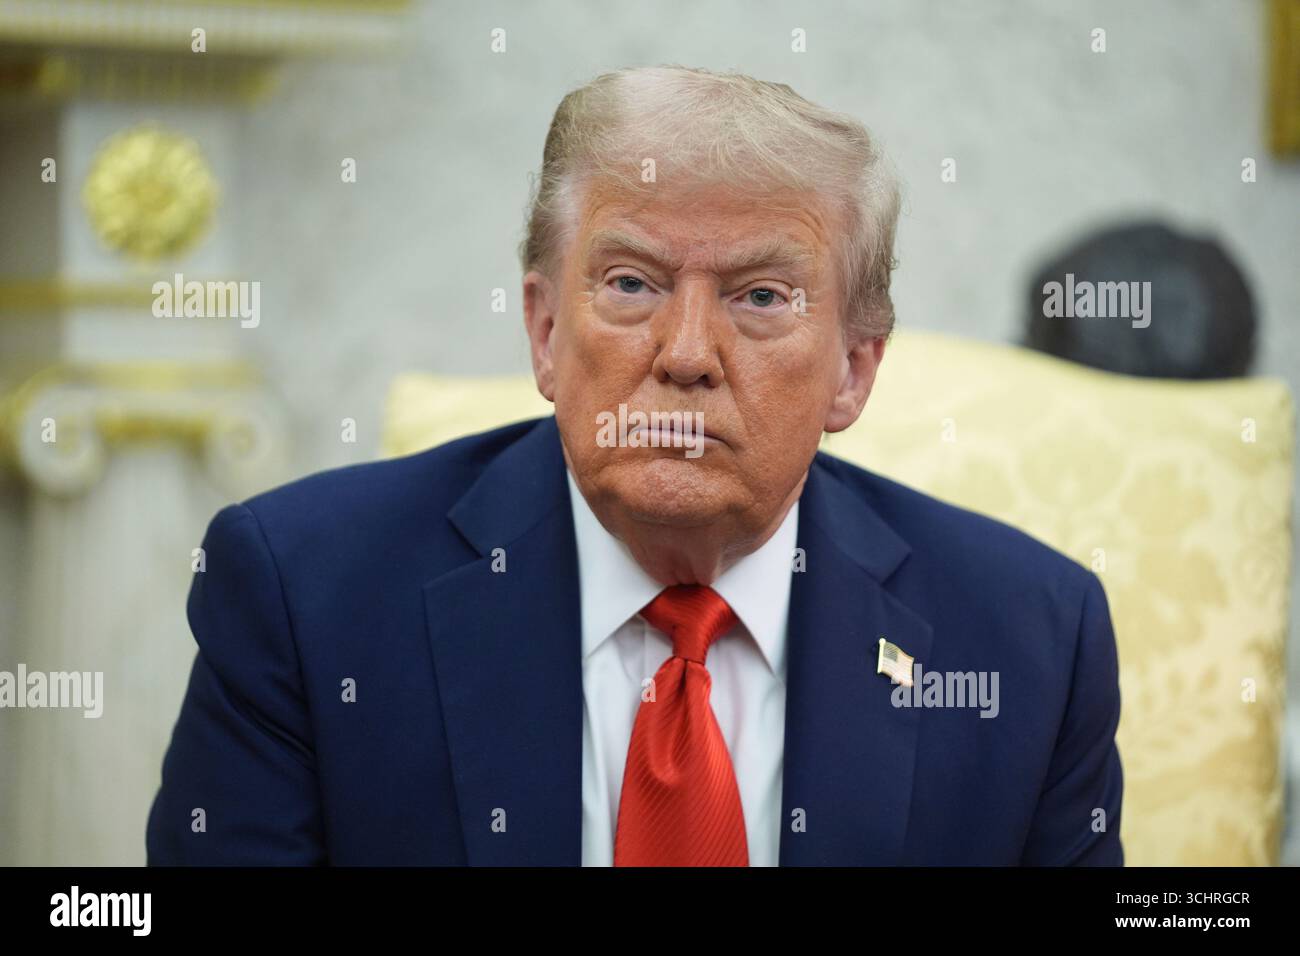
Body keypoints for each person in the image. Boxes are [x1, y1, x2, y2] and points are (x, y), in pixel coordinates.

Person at [147, 65, 1123, 866]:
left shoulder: (1026, 641)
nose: (687, 351)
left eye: (761, 296)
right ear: (542, 328)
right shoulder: (303, 593)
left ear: (853, 369)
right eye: (630, 282)